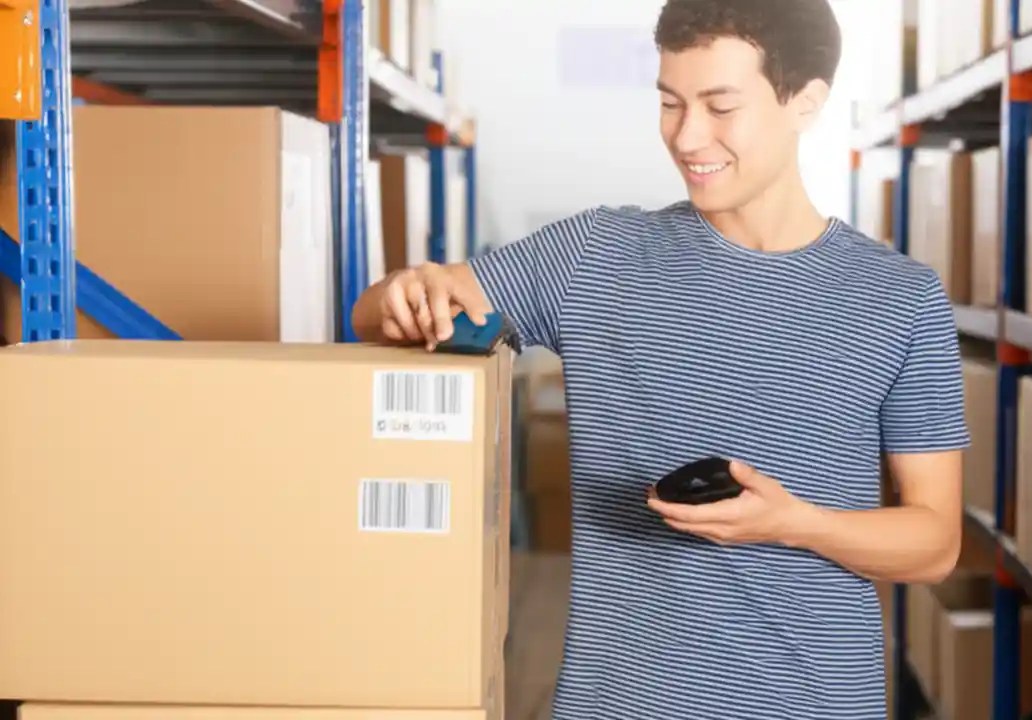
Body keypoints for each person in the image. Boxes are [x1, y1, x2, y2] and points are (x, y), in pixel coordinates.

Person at [353, 0, 967, 717]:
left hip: (817, 700)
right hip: (621, 701)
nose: (686, 135)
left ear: (805, 102)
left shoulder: (900, 298)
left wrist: (792, 522)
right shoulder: (596, 258)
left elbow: (935, 542)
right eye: (670, 103)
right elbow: (377, 315)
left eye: (720, 105)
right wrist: (407, 291)